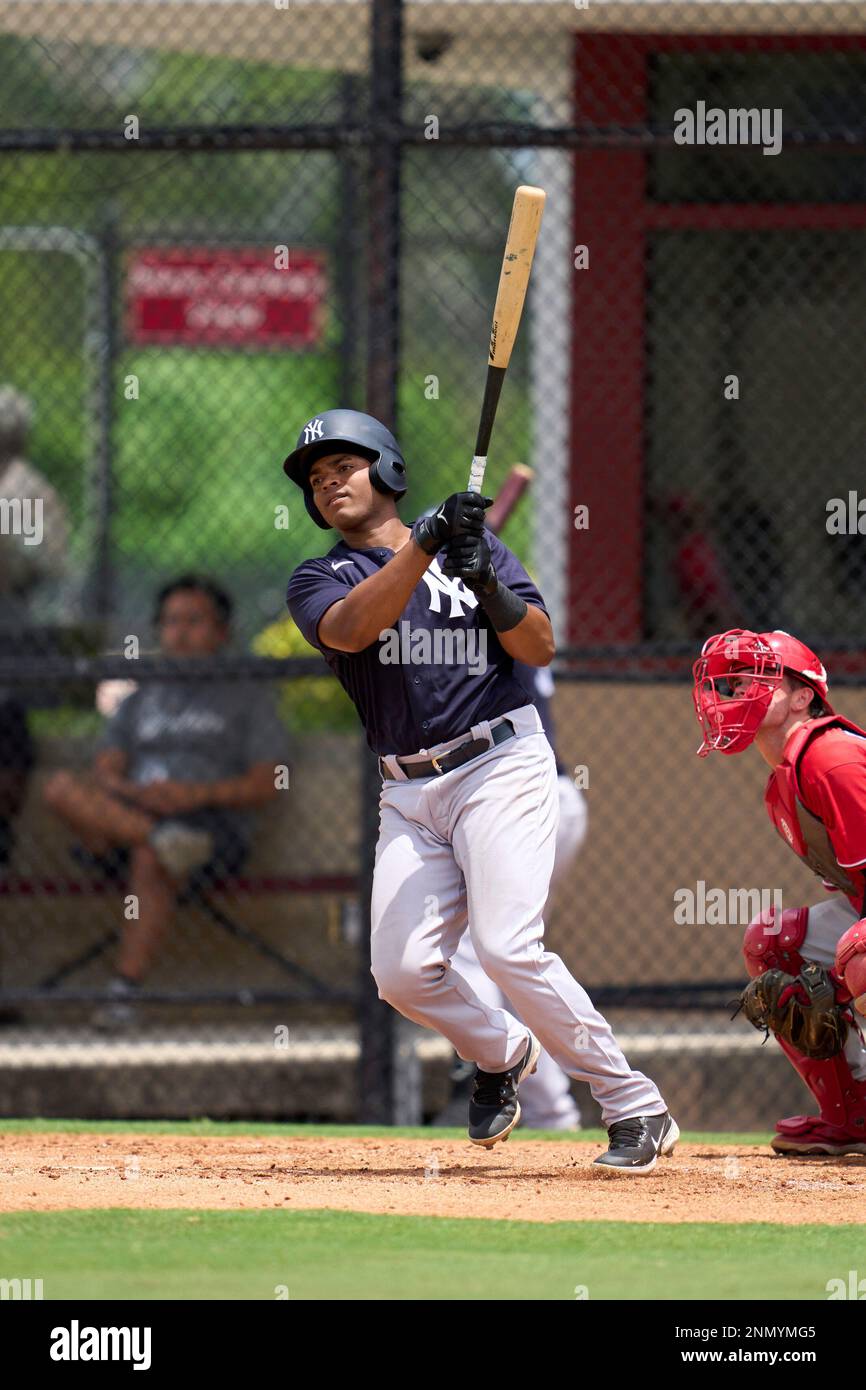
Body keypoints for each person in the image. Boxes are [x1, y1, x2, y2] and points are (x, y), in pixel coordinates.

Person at [285, 408, 677, 1174]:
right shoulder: (320, 578)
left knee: (506, 948)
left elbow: (538, 645)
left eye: (346, 467)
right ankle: (502, 1049)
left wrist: (487, 583)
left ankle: (635, 1106)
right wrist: (427, 543)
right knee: (399, 973)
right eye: (318, 478)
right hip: (406, 790)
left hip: (500, 763)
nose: (330, 482)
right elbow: (352, 632)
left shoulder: (477, 547)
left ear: (387, 472)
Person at [43, 575, 287, 1030]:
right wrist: (136, 794)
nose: (179, 632)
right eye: (171, 621)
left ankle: (124, 994)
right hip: (131, 815)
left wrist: (196, 794)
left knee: (151, 856)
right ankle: (160, 837)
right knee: (60, 788)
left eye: (194, 621)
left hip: (211, 831)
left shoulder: (248, 695)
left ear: (221, 633)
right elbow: (107, 768)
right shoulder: (140, 696)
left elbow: (269, 781)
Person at [693, 627, 866, 1155]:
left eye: (755, 681)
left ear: (803, 696)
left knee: (859, 953)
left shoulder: (830, 759)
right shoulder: (785, 779)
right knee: (774, 943)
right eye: (730, 684)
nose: (734, 694)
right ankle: (853, 1117)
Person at [437, 659, 588, 1129]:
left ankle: (498, 1065)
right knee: (507, 955)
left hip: (516, 798)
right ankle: (548, 1108)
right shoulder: (505, 620)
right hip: (547, 797)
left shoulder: (487, 615)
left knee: (477, 951)